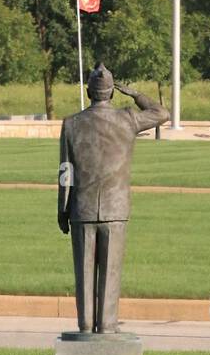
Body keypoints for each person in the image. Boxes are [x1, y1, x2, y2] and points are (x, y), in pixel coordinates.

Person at [57, 62, 169, 333]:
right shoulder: (128, 119)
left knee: (84, 273)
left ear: (88, 92)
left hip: (81, 209)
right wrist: (135, 94)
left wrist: (62, 210)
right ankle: (107, 326)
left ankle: (85, 325)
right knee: (110, 272)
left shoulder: (71, 123)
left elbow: (65, 172)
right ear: (112, 93)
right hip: (115, 208)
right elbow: (161, 113)